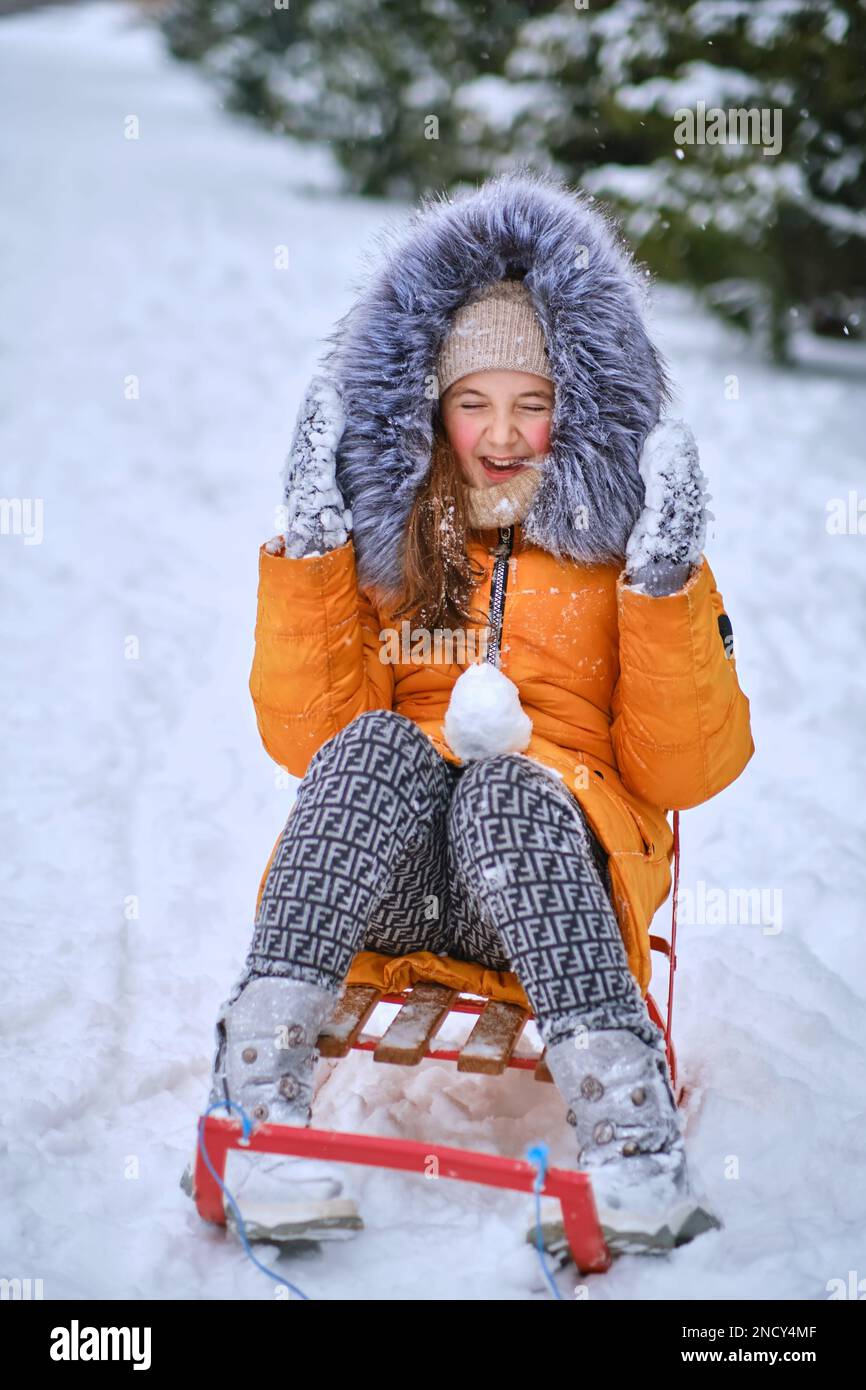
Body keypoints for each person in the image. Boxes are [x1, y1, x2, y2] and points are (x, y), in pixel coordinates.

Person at [182, 169, 755, 1259]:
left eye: (531, 402)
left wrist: (663, 588)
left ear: (574, 407)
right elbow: (310, 747)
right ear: (432, 410)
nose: (501, 434)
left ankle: (628, 1137)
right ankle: (256, 1104)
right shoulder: (402, 544)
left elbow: (681, 771)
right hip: (390, 894)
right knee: (378, 745)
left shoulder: (619, 561)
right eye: (472, 401)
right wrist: (312, 560)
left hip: (548, 883)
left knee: (504, 787)